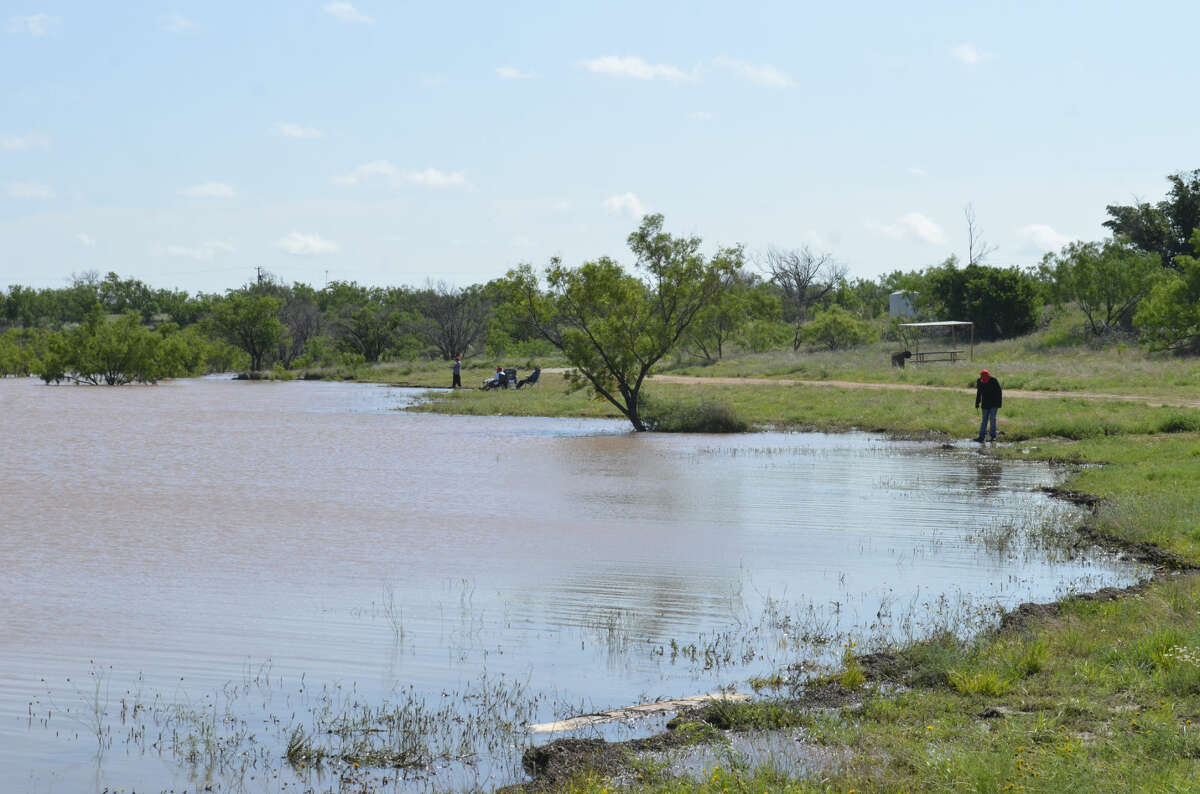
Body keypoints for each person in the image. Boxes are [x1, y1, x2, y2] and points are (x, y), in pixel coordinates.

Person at [974, 369, 1002, 442]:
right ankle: (981, 437)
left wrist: (998, 404)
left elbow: (999, 393)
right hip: (985, 404)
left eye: (985, 378)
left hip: (994, 404)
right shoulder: (980, 382)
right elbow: (979, 393)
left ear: (988, 376)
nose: (984, 380)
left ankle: (993, 437)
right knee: (984, 420)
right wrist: (977, 403)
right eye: (983, 378)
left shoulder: (994, 381)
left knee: (992, 419)